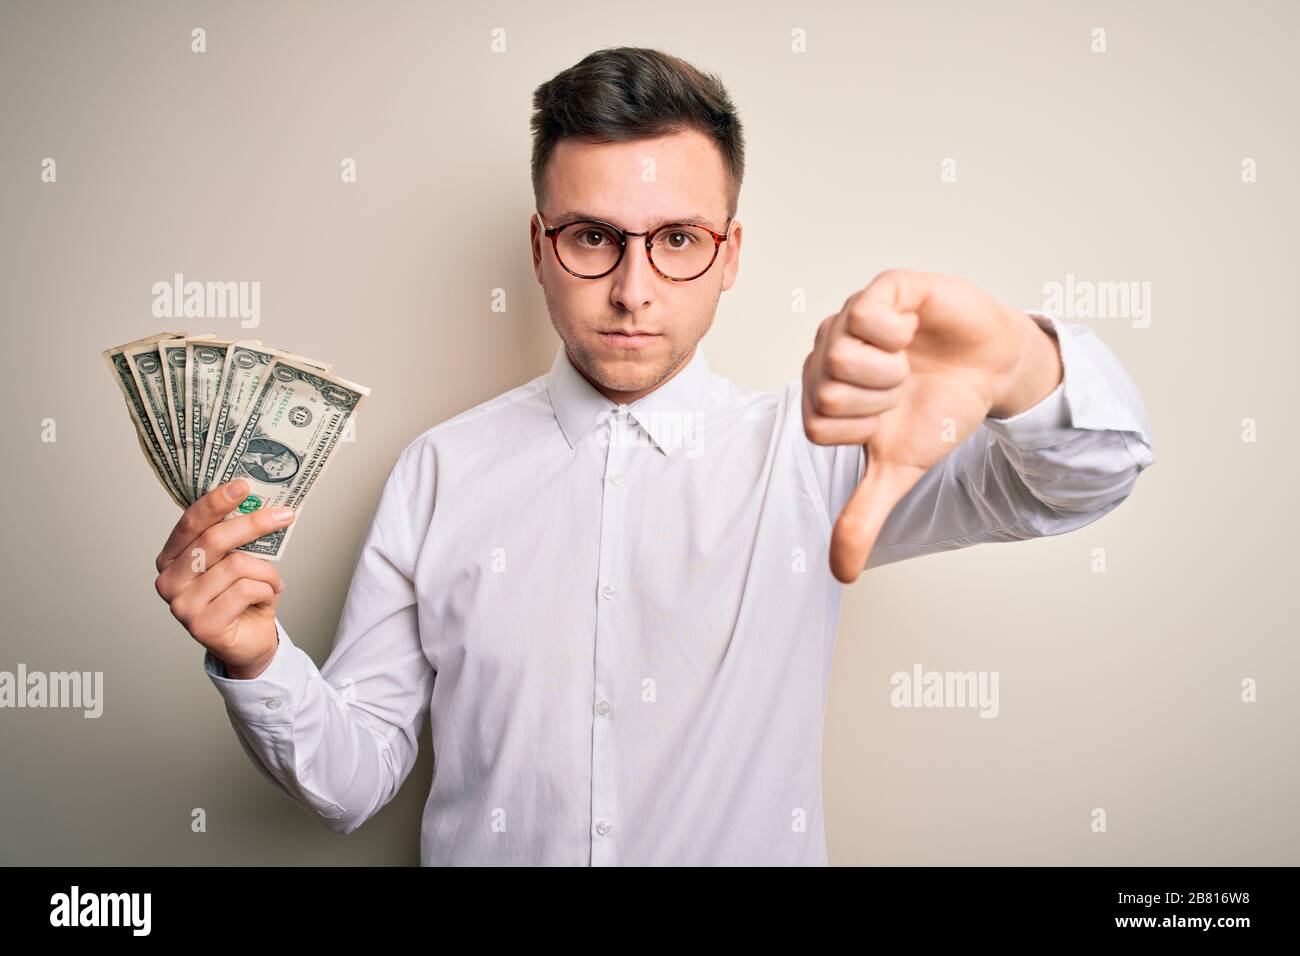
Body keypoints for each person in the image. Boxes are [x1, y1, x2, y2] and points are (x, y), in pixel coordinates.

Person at [151, 47, 1155, 865]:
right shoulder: (438, 472)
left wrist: (1026, 359)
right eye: (593, 236)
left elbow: (1085, 477)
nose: (633, 287)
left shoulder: (820, 453)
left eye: (676, 238)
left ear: (728, 254)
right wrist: (254, 658)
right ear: (541, 248)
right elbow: (354, 779)